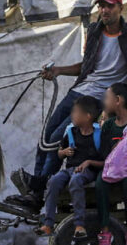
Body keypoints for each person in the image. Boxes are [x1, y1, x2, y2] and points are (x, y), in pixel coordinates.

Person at [7, 0, 127, 209]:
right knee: (46, 137)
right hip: (80, 91)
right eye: (101, 6)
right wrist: (58, 70)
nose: (104, 10)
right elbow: (85, 67)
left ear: (120, 8)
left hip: (100, 99)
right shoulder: (94, 32)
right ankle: (35, 193)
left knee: (59, 138)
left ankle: (37, 191)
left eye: (109, 5)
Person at [34, 96, 105, 237]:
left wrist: (89, 162)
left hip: (89, 171)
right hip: (70, 169)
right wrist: (63, 152)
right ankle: (48, 224)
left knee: (76, 181)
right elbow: (60, 154)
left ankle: (79, 225)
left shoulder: (99, 135)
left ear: (87, 116)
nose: (72, 115)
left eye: (76, 112)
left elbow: (106, 161)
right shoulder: (71, 132)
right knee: (53, 181)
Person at [95, 83, 127, 245]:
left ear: (118, 100)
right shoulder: (109, 125)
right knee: (100, 184)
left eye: (107, 98)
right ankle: (105, 230)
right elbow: (103, 153)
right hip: (111, 168)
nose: (105, 102)